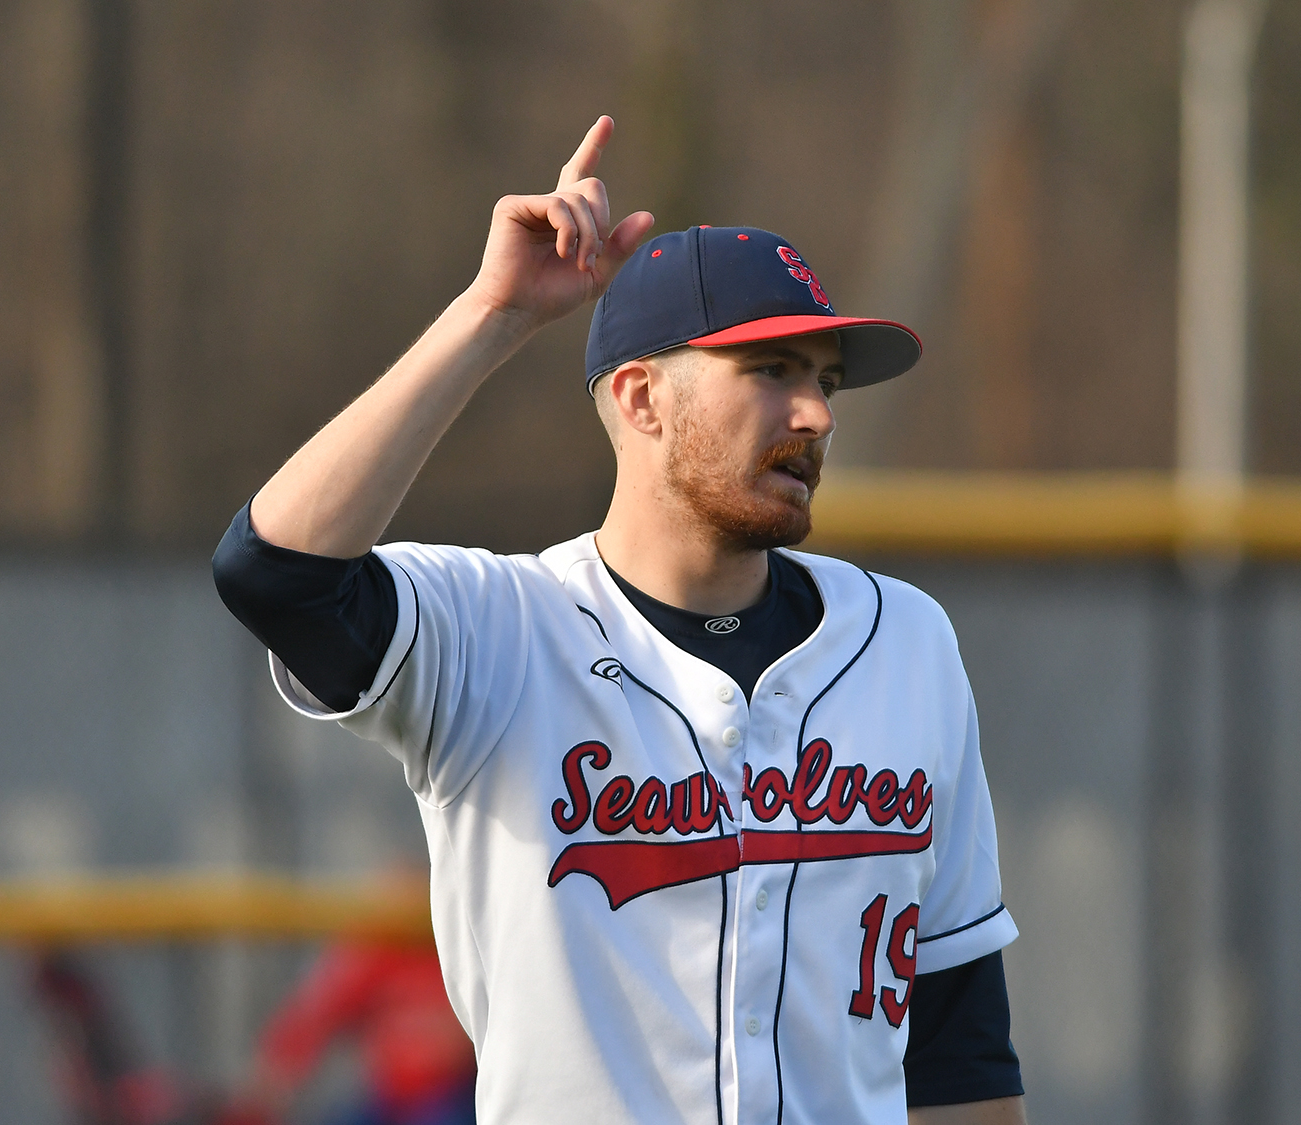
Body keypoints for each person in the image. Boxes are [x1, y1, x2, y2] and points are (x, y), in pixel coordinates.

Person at [213, 116, 1024, 1125]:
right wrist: (491, 316)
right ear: (641, 399)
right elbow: (272, 573)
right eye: (771, 372)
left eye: (824, 379)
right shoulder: (498, 634)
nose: (814, 414)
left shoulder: (906, 643)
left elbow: (957, 1044)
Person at [227, 941, 477, 1125]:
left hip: (450, 1101)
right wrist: (267, 1092)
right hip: (383, 1100)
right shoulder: (384, 947)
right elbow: (313, 1020)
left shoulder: (461, 948)